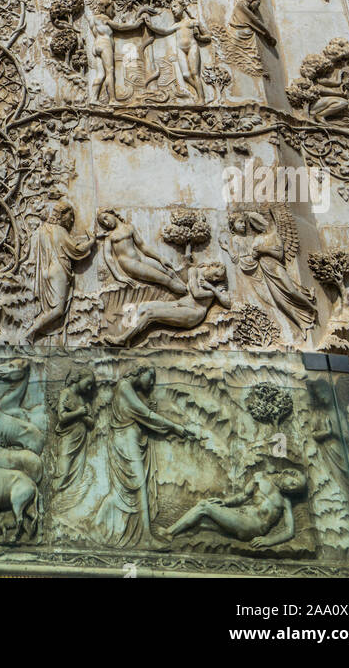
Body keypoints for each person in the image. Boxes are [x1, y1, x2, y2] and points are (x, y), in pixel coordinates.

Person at [95, 367, 194, 545]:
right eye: (151, 377)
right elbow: (145, 414)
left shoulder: (129, 389)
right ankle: (146, 538)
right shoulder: (124, 386)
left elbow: (142, 415)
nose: (152, 383)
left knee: (127, 490)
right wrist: (175, 427)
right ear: (140, 372)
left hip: (130, 440)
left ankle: (96, 525)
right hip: (125, 442)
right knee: (138, 486)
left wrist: (150, 412)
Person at [163, 469, 305, 549]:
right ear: (288, 473)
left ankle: (169, 532)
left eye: (295, 489)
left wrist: (269, 541)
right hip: (239, 514)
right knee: (202, 522)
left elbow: (289, 531)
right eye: (293, 483)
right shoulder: (261, 477)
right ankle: (176, 536)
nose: (291, 489)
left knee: (204, 506)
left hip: (252, 525)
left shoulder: (285, 501)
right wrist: (224, 501)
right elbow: (243, 496)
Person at [27, 202, 95, 341]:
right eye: (70, 216)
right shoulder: (59, 230)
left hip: (47, 270)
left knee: (55, 309)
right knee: (58, 310)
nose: (71, 221)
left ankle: (34, 332)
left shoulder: (44, 230)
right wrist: (91, 241)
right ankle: (30, 332)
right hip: (59, 269)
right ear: (62, 215)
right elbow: (76, 250)